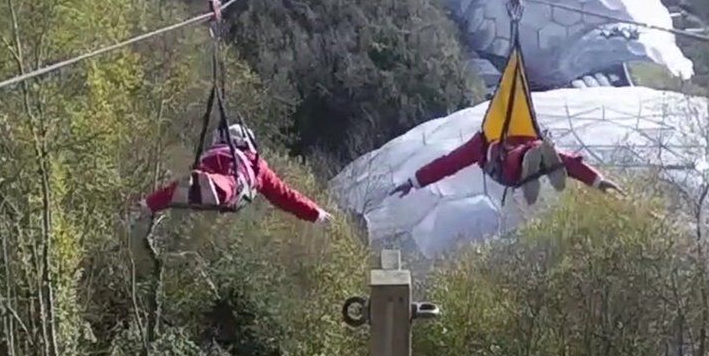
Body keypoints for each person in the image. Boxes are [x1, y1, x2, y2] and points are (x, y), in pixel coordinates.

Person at [139, 124, 332, 224]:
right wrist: (316, 214)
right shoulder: (251, 163)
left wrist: (315, 213)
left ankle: (200, 189)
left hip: (223, 180)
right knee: (219, 184)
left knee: (214, 184)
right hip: (220, 181)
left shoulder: (243, 160)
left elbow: (286, 196)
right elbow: (286, 195)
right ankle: (202, 188)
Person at [389, 132, 622, 203]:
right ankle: (534, 163)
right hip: (507, 170)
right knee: (526, 154)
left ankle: (542, 164)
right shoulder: (479, 145)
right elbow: (447, 164)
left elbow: (570, 161)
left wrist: (597, 181)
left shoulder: (523, 131)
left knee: (546, 153)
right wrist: (414, 181)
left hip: (530, 159)